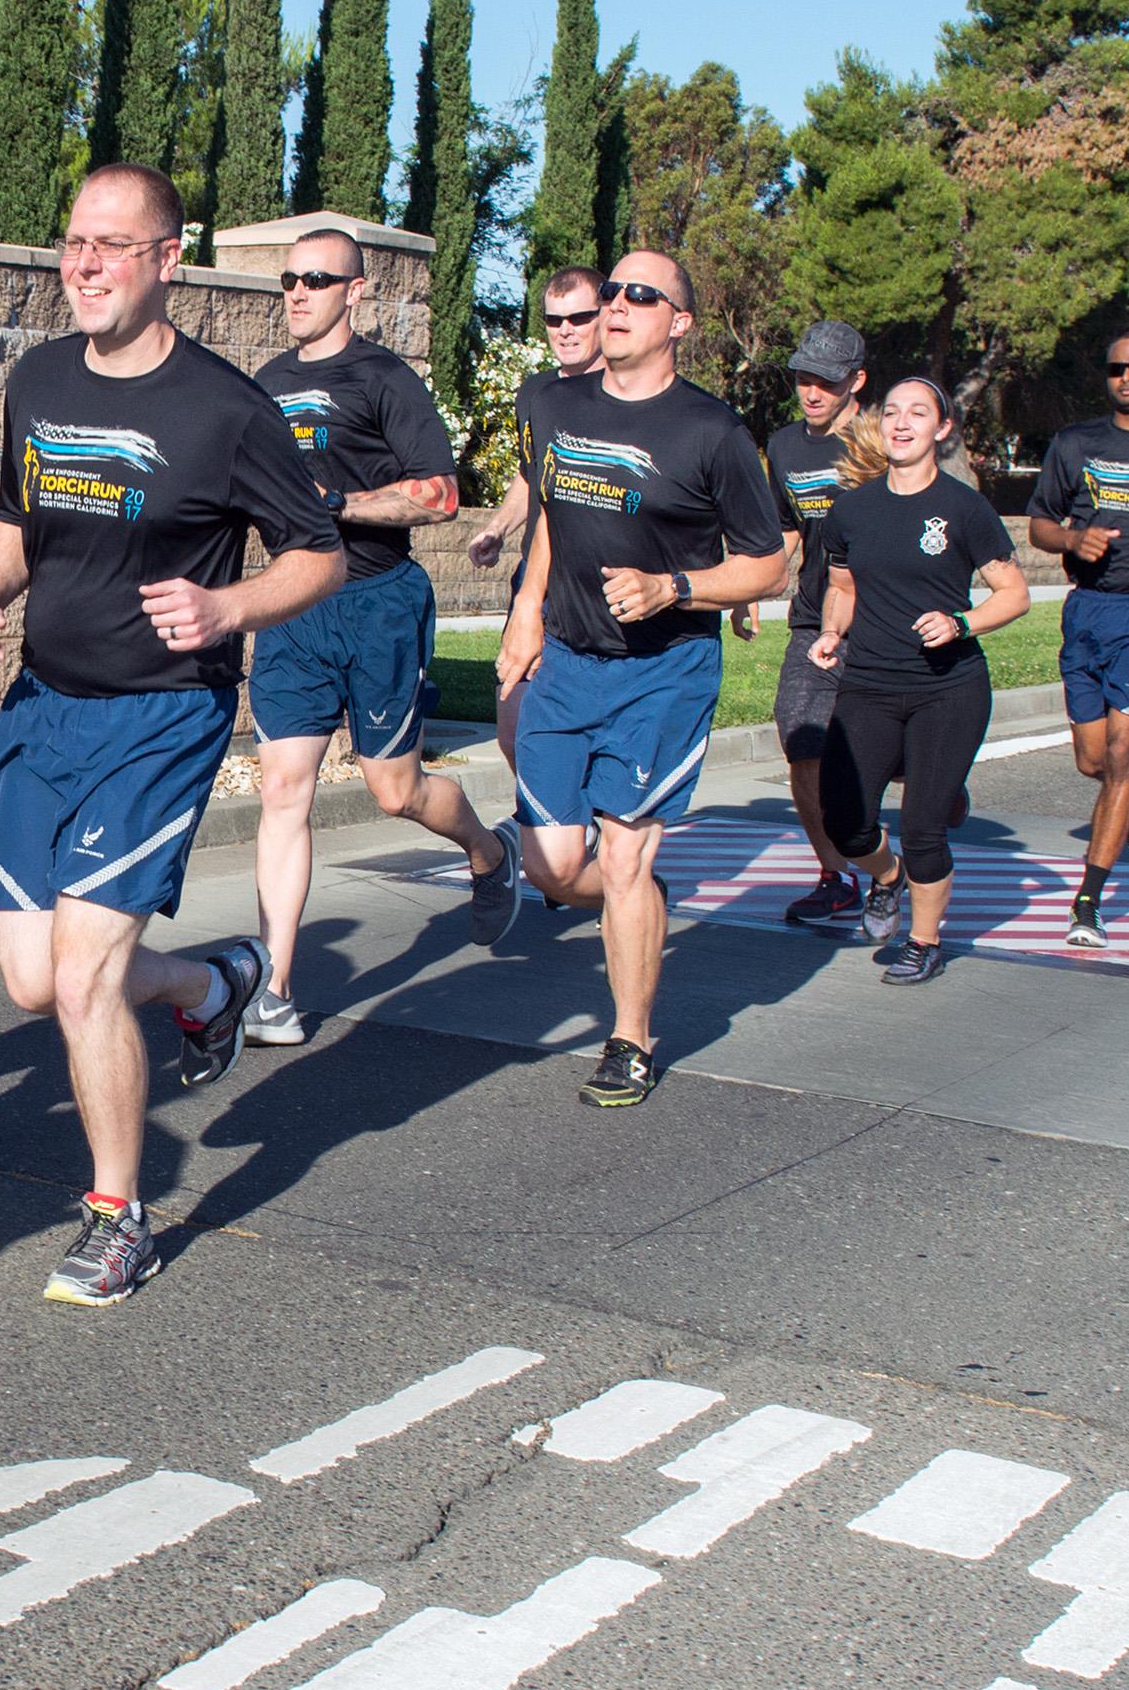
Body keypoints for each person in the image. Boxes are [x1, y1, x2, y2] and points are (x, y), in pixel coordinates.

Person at [0, 164, 343, 1306]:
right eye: (74, 241)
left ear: (168, 261)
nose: (84, 265)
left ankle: (116, 1216)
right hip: (44, 708)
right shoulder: (36, 379)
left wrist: (229, 609)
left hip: (162, 719)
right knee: (33, 980)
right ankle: (208, 985)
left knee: (82, 978)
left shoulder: (226, 411)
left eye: (112, 246)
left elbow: (316, 552)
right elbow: (18, 519)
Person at [498, 249, 786, 1107]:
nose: (616, 304)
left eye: (640, 295)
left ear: (679, 323)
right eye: (613, 290)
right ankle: (639, 899)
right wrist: (526, 608)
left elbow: (766, 566)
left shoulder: (713, 433)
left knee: (622, 856)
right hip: (568, 660)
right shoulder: (554, 401)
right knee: (551, 866)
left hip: (664, 671)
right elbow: (553, 505)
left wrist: (676, 588)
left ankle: (630, 1038)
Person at [245, 226, 522, 1043]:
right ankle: (274, 988)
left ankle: (488, 852)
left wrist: (343, 506)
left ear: (355, 290)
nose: (298, 291)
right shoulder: (263, 384)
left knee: (392, 790)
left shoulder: (384, 378)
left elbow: (439, 495)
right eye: (289, 278)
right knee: (282, 791)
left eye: (317, 279)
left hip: (378, 602)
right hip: (295, 606)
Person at [807, 376, 1030, 984]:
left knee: (924, 825)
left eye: (918, 413)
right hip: (869, 685)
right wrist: (832, 633)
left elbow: (1014, 595)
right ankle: (887, 876)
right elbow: (843, 587)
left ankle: (924, 941)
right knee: (846, 821)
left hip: (948, 688)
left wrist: (961, 622)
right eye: (893, 412)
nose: (902, 423)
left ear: (943, 427)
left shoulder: (964, 507)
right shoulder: (852, 508)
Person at [1027, 325, 1129, 948]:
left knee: (1123, 758)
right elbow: (1041, 525)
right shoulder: (1076, 444)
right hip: (1087, 614)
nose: (1128, 378)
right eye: (1117, 369)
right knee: (1094, 761)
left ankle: (1088, 900)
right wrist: (1074, 540)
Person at [467, 267, 607, 773]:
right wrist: (497, 528)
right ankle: (559, 827)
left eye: (578, 317)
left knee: (590, 723)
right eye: (553, 320)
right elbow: (531, 476)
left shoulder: (622, 393)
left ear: (605, 316)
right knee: (514, 722)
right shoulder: (537, 394)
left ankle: (579, 828)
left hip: (601, 580)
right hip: (537, 578)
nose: (565, 329)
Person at [765, 320, 876, 925]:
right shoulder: (783, 448)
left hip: (885, 625)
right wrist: (751, 587)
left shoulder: (884, 442)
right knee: (801, 738)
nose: (812, 392)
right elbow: (785, 529)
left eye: (826, 382)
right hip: (814, 619)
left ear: (856, 381)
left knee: (882, 751)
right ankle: (836, 877)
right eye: (804, 378)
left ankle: (926, 779)